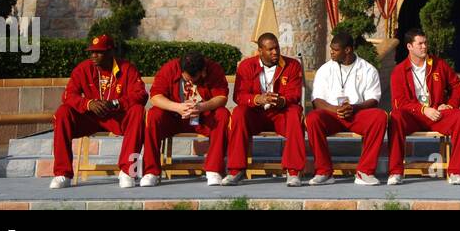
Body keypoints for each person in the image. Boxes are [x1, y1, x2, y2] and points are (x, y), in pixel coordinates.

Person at [50, 35, 147, 188]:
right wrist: (88, 103)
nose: (93, 56)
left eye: (99, 52)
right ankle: (63, 173)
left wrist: (115, 103)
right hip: (90, 118)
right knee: (63, 112)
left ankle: (128, 171)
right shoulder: (83, 68)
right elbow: (68, 95)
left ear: (110, 52)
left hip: (116, 117)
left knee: (138, 111)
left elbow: (141, 94)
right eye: (91, 52)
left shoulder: (127, 68)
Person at [387, 29, 460, 185]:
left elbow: (457, 86)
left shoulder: (438, 64)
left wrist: (450, 105)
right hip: (413, 116)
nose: (424, 47)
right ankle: (395, 172)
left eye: (425, 43)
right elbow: (399, 102)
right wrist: (423, 109)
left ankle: (456, 172)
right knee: (396, 116)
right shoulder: (399, 70)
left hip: (437, 114)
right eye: (420, 44)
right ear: (409, 47)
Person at [306, 31, 388, 186]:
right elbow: (317, 100)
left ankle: (365, 172)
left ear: (348, 50)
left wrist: (354, 108)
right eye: (331, 49)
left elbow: (373, 99)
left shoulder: (367, 69)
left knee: (379, 117)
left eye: (335, 50)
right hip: (332, 114)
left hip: (357, 114)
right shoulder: (325, 69)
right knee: (313, 118)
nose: (331, 52)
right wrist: (335, 109)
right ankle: (324, 172)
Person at [224, 32, 306, 186]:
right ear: (260, 51)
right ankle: (236, 170)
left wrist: (281, 100)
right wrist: (257, 99)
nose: (275, 52)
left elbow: (294, 94)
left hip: (281, 113)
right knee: (239, 113)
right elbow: (239, 96)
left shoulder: (292, 65)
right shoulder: (246, 65)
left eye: (277, 48)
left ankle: (293, 171)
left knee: (295, 112)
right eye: (270, 49)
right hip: (256, 114)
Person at [143, 49, 229, 186]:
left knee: (223, 114)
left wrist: (202, 107)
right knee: (153, 115)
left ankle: (214, 169)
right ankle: (151, 171)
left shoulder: (214, 69)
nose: (189, 81)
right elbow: (155, 97)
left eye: (192, 79)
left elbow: (222, 97)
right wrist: (177, 107)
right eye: (186, 78)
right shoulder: (170, 68)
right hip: (174, 117)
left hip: (203, 117)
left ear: (203, 71)